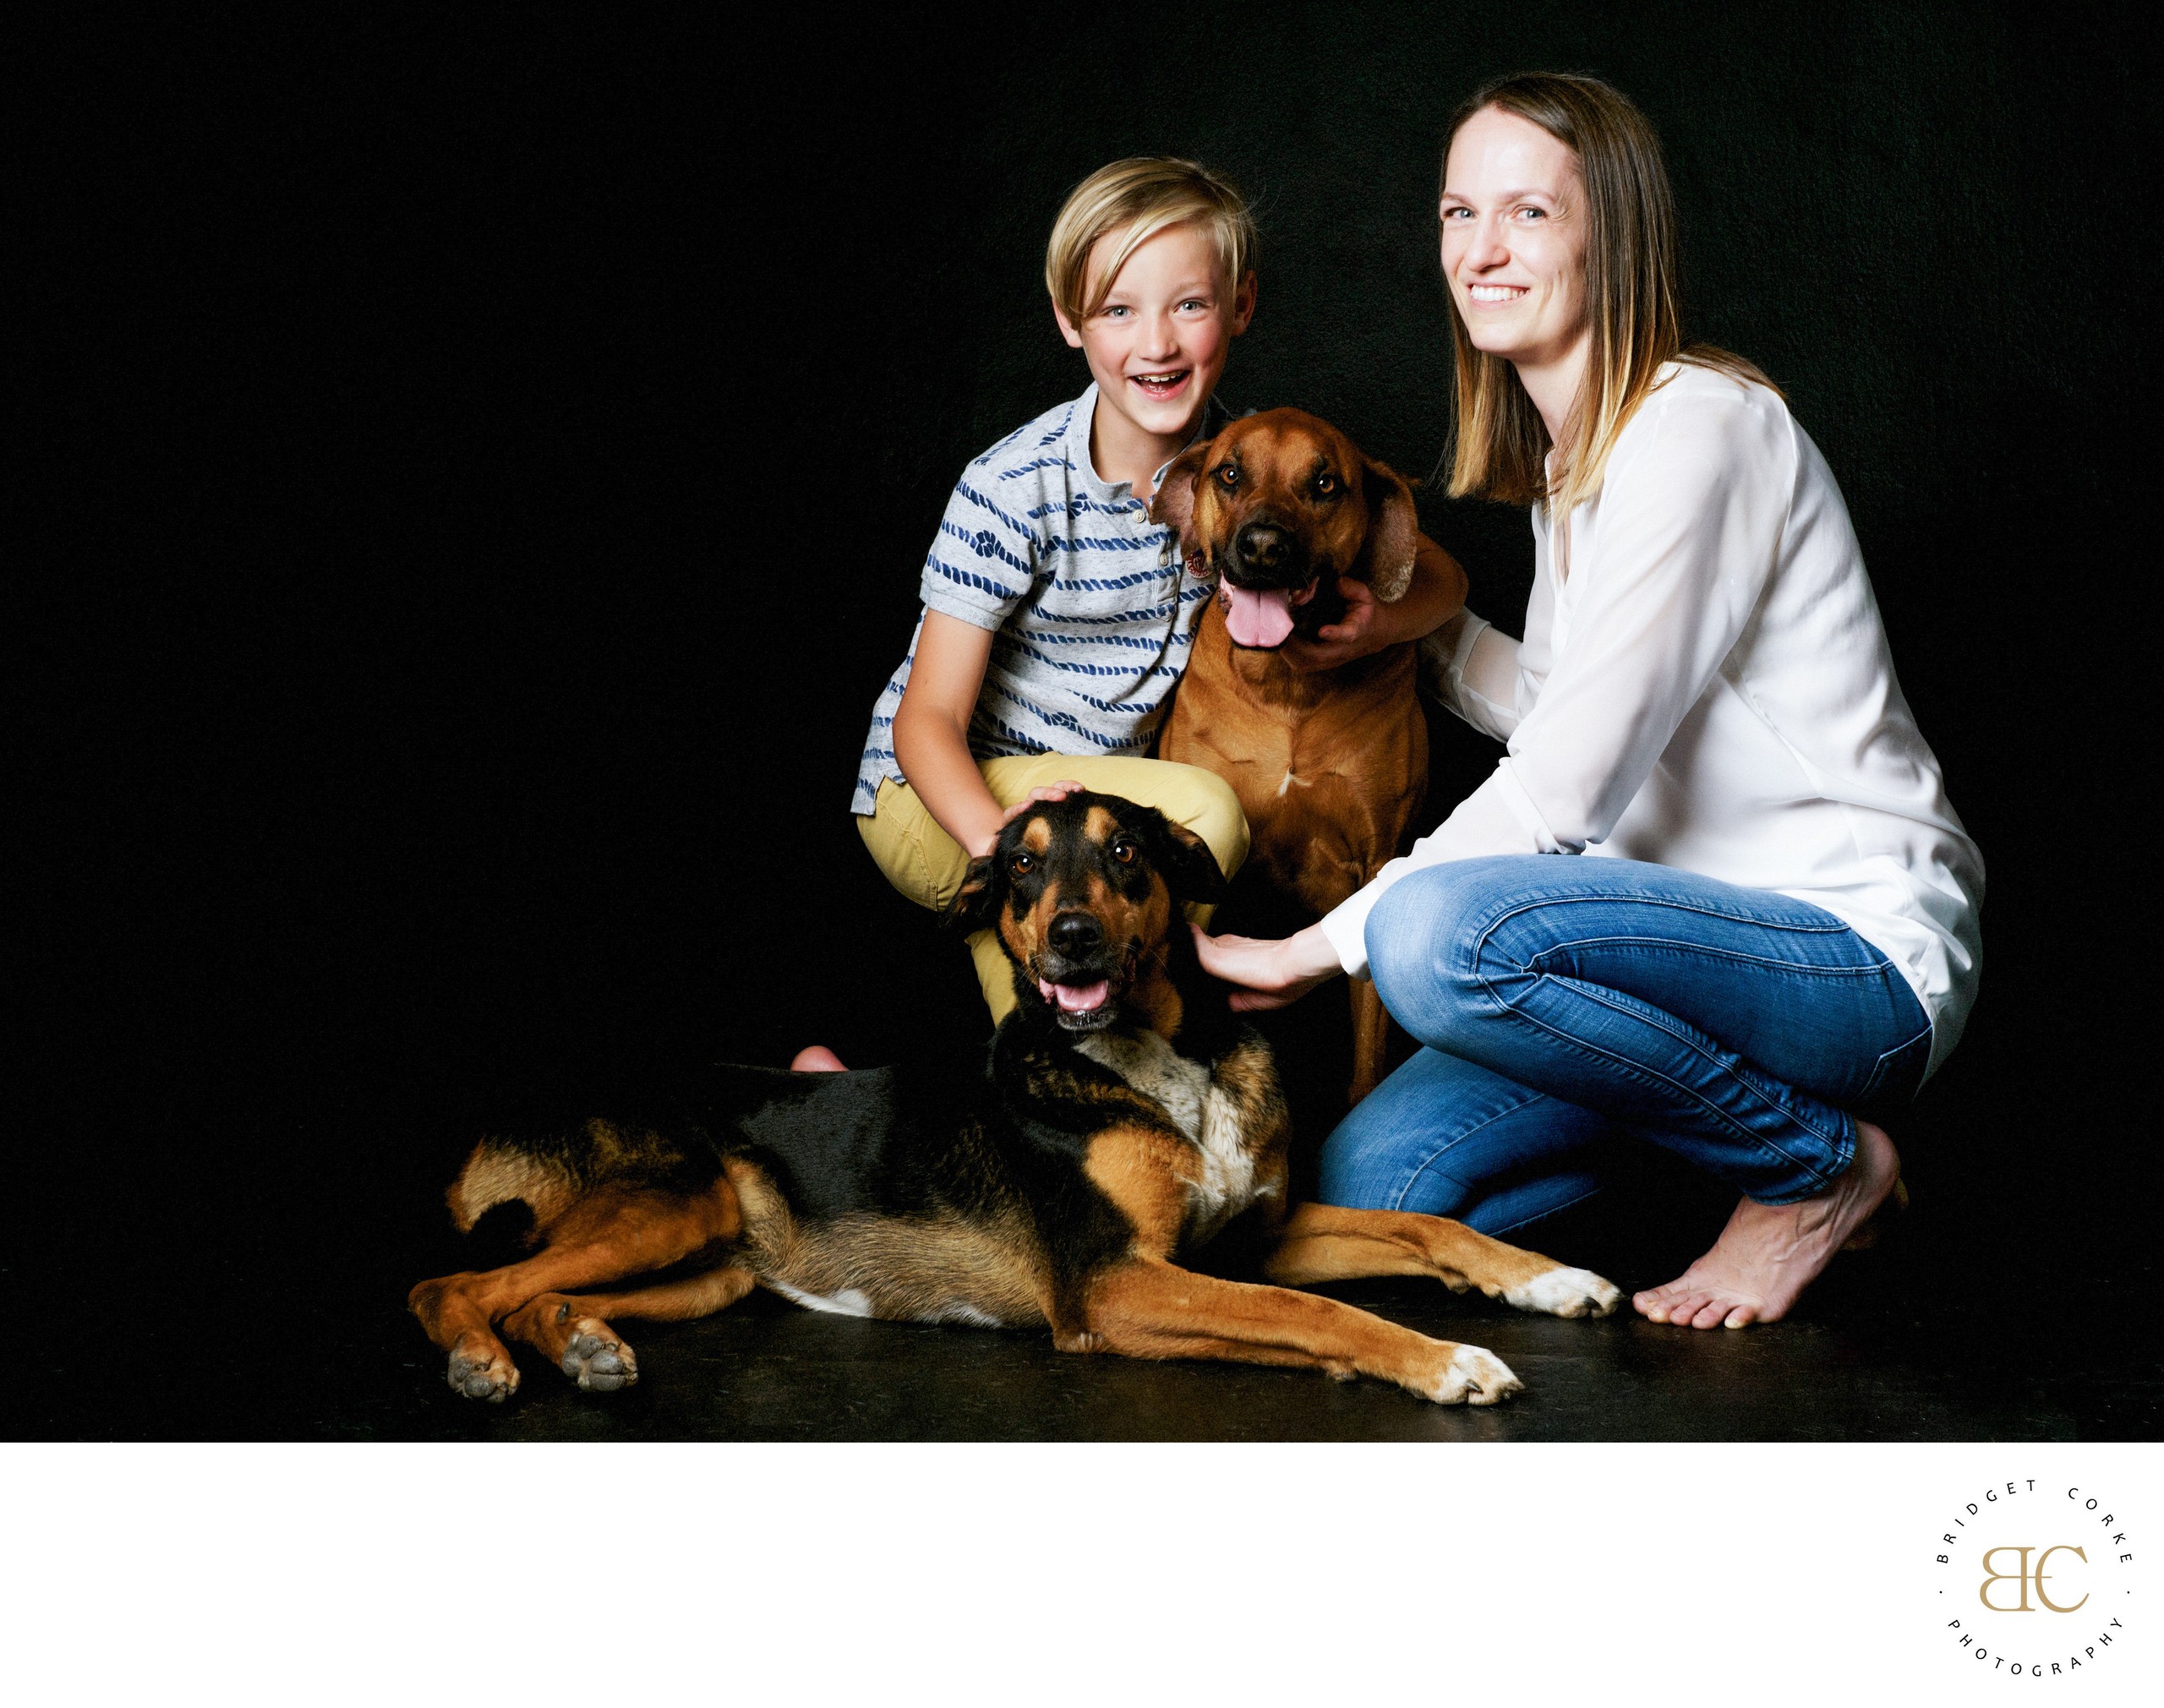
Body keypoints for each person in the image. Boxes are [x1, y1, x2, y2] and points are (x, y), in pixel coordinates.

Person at [1193, 74, 1984, 1330]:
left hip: (1844, 959)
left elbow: (1568, 788)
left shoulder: (1700, 430)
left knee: (1431, 937)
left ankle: (1818, 1170)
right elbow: (1574, 710)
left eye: (1529, 214)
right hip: (1658, 982)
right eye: (1459, 212)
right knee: (1363, 1191)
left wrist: (1317, 943)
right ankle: (1720, 1138)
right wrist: (1421, 627)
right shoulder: (1576, 470)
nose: (1482, 249)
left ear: (1610, 234)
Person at [848, 156, 1463, 1023]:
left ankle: (841, 1087)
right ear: (1070, 321)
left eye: (1190, 304)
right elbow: (924, 721)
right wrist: (1009, 853)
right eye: (1117, 309)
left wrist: (1375, 624)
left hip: (1094, 805)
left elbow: (1438, 573)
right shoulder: (1013, 486)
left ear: (1240, 306)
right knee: (1188, 839)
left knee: (1084, 1032)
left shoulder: (1236, 467)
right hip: (944, 796)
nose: (1158, 343)